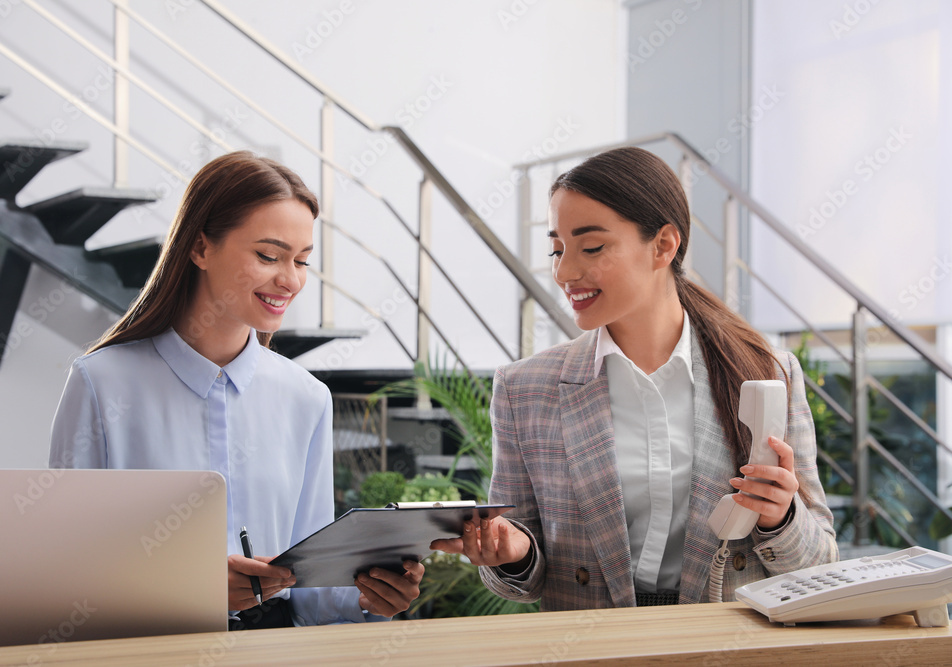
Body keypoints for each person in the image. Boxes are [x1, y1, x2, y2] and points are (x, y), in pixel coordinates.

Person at [433, 147, 838, 609]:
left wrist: (780, 518)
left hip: (725, 650)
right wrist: (513, 554)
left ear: (664, 245)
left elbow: (822, 562)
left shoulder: (767, 372)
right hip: (590, 651)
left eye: (591, 247)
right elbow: (516, 578)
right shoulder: (524, 389)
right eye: (557, 249)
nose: (564, 272)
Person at [49, 151, 422, 628]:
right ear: (200, 248)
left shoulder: (306, 397)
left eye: (302, 261)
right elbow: (61, 567)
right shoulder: (101, 383)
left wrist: (371, 598)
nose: (289, 280)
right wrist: (188, 585)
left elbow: (310, 593)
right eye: (268, 256)